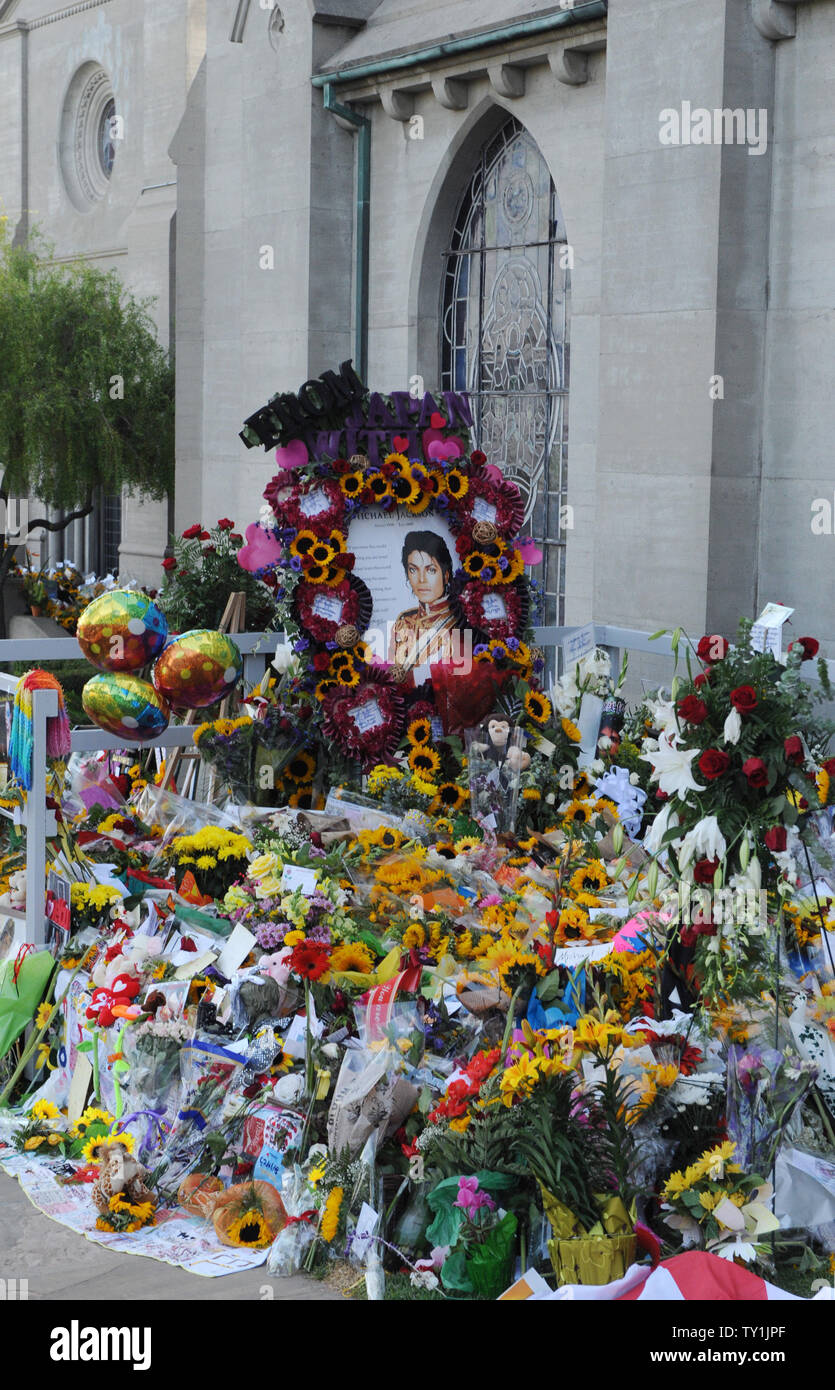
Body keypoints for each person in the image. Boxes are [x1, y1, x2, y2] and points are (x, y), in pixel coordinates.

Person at [388, 530, 458, 675]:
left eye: (430, 570)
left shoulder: (459, 620)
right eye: (413, 570)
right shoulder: (404, 622)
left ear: (446, 575)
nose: (421, 580)